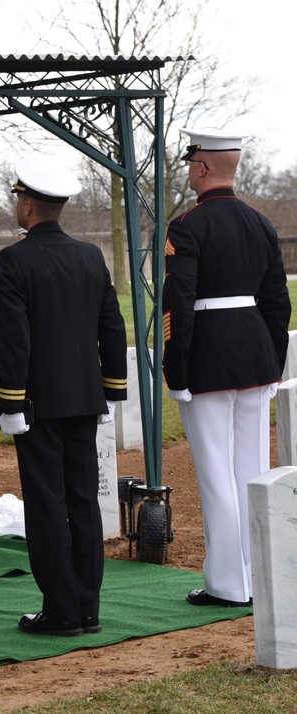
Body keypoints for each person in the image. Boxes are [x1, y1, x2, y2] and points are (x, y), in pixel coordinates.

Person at [0, 156, 127, 637]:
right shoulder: (90, 256)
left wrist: (12, 401)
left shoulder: (14, 259)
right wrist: (113, 389)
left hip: (37, 403)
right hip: (85, 398)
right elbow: (111, 326)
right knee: (82, 501)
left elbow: (15, 338)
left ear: (27, 204)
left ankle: (61, 611)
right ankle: (88, 609)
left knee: (47, 503)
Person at [163, 128, 290, 608]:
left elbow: (180, 302)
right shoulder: (260, 222)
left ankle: (226, 584)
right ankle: (259, 576)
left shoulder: (188, 226)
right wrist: (272, 362)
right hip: (256, 356)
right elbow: (278, 303)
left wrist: (178, 370)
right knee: (252, 471)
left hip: (209, 360)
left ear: (201, 167)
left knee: (216, 473)